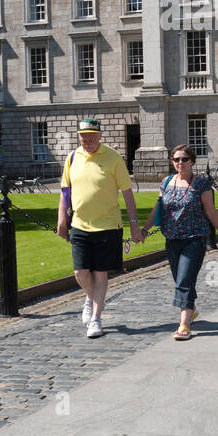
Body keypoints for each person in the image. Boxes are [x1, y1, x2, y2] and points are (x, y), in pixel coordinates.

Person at [57, 117, 142, 339]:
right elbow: (65, 192)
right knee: (80, 272)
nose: (88, 141)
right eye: (84, 137)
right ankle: (91, 297)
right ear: (79, 138)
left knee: (100, 273)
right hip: (79, 225)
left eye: (92, 137)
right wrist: (61, 221)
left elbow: (128, 194)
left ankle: (96, 319)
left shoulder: (113, 158)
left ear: (100, 136)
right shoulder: (72, 158)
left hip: (108, 226)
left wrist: (134, 225)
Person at [139, 144, 218, 340]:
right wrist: (145, 229)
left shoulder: (201, 185)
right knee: (180, 279)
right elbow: (158, 208)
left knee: (184, 281)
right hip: (172, 239)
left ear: (192, 161)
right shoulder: (166, 182)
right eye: (176, 159)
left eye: (184, 159)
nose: (180, 162)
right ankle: (191, 308)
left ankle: (184, 325)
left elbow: (211, 211)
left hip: (194, 239)